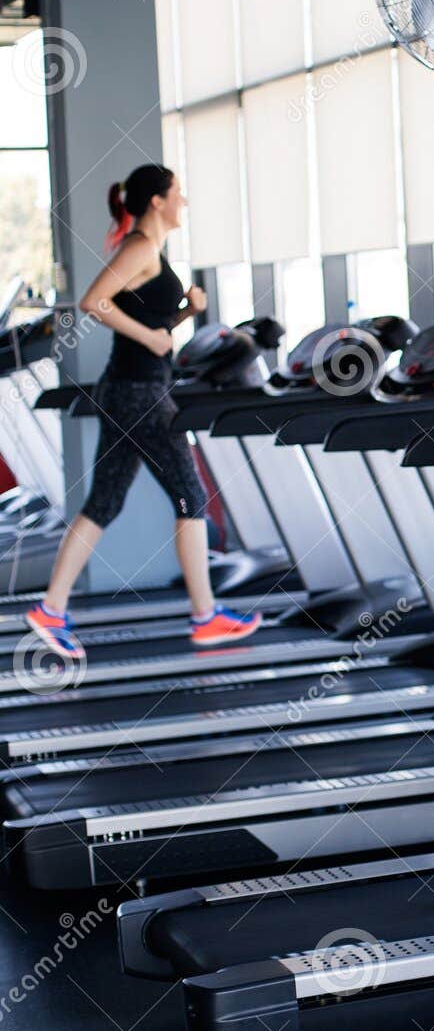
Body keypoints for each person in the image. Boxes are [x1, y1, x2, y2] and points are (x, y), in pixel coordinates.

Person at [25, 165, 262, 662]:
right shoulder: (140, 247)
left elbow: (148, 319)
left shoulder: (151, 250)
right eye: (177, 193)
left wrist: (183, 314)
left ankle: (51, 610)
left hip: (131, 387)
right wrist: (153, 338)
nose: (184, 202)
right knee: (190, 494)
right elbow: (95, 301)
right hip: (140, 392)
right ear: (157, 200)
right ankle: (206, 616)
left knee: (105, 501)